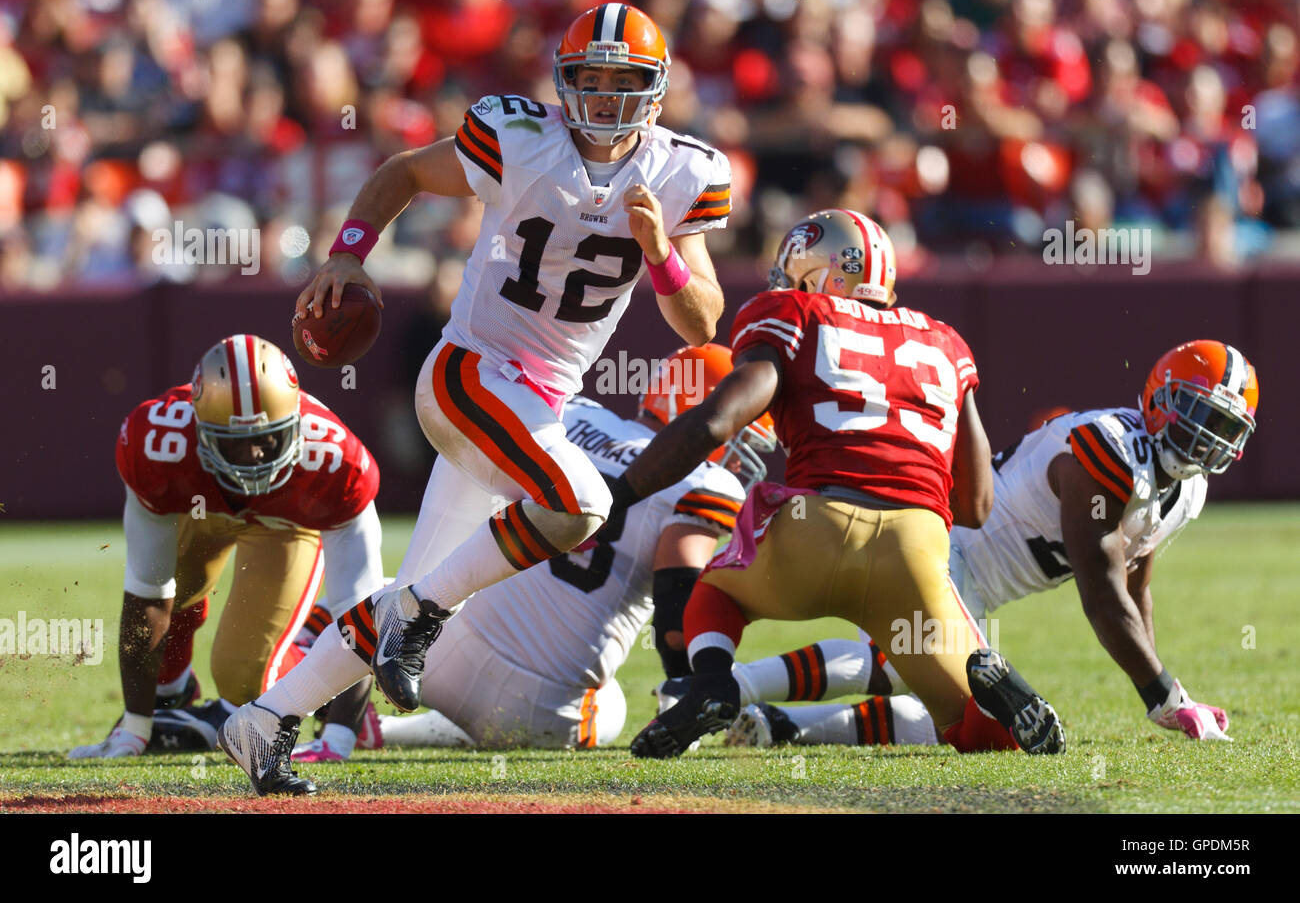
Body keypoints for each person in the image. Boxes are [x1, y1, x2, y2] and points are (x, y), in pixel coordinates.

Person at [220, 3, 732, 794]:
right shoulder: (522, 141)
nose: (601, 96)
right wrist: (349, 255)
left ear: (654, 90)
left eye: (619, 81)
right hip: (471, 370)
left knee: (412, 594)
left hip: (539, 401)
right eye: (587, 79)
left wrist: (661, 250)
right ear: (564, 82)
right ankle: (416, 615)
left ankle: (262, 721)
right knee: (580, 503)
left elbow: (700, 321)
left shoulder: (680, 172)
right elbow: (404, 173)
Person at [601, 208, 1066, 758]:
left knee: (716, 592)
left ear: (819, 271)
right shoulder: (945, 340)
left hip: (815, 524)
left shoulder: (791, 311)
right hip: (915, 545)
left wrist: (621, 495)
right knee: (975, 733)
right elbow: (978, 505)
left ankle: (712, 682)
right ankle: (994, 687)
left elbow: (718, 421)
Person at [722, 340, 1259, 747]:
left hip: (973, 579)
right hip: (940, 547)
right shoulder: (1111, 447)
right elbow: (1101, 591)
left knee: (943, 718)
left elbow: (1134, 583)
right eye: (1200, 413)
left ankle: (774, 726)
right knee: (900, 662)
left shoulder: (1188, 492)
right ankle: (726, 687)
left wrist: (1171, 688)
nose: (1208, 435)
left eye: (1224, 425)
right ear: (1160, 398)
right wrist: (1162, 696)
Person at [293, 346, 775, 768]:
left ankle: (276, 695)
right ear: (701, 409)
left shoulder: (573, 414)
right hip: (540, 712)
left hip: (445, 655)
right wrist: (684, 693)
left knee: (383, 600)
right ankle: (386, 729)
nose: (739, 459)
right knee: (611, 706)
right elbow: (675, 620)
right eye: (741, 438)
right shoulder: (706, 483)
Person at [68, 335, 384, 762]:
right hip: (202, 506)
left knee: (243, 678)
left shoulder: (335, 462)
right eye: (234, 443)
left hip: (286, 522)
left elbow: (359, 612)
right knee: (171, 599)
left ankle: (309, 646)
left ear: (294, 425)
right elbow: (147, 590)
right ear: (200, 429)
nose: (253, 457)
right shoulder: (157, 445)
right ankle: (170, 698)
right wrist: (135, 730)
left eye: (267, 440)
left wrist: (339, 737)